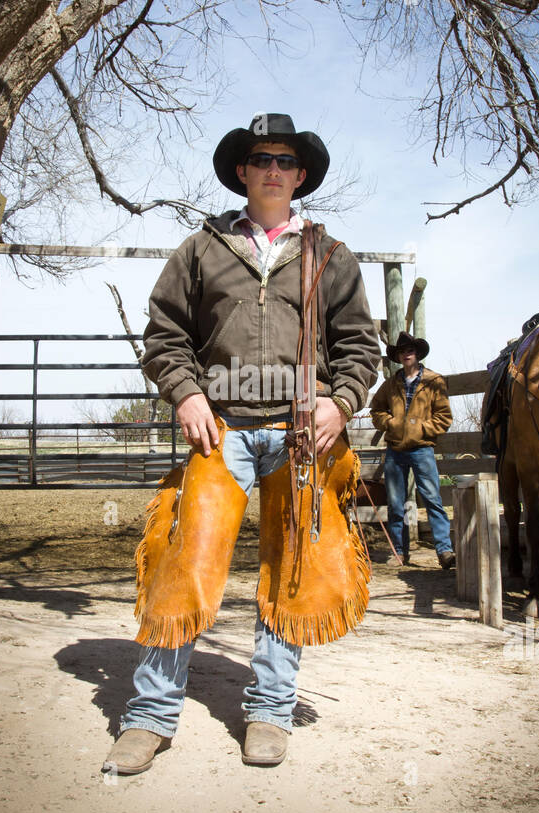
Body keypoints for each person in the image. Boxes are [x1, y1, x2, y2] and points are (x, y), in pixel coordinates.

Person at [102, 113, 380, 776]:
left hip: (298, 437)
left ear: (301, 175)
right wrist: (187, 394)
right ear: (242, 172)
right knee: (184, 561)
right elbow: (165, 334)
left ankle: (269, 711)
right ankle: (148, 716)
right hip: (219, 428)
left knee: (294, 570)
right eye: (262, 160)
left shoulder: (329, 255)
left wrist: (339, 403)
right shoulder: (199, 251)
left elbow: (358, 348)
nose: (274, 171)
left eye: (285, 161)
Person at [369, 332, 455, 569]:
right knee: (396, 503)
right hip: (395, 450)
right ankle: (399, 551)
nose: (406, 354)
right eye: (402, 351)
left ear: (417, 354)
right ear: (398, 356)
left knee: (432, 500)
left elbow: (444, 417)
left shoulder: (434, 381)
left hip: (422, 449)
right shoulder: (390, 383)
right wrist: (391, 423)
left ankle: (444, 551)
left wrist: (419, 428)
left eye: (410, 350)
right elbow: (376, 410)